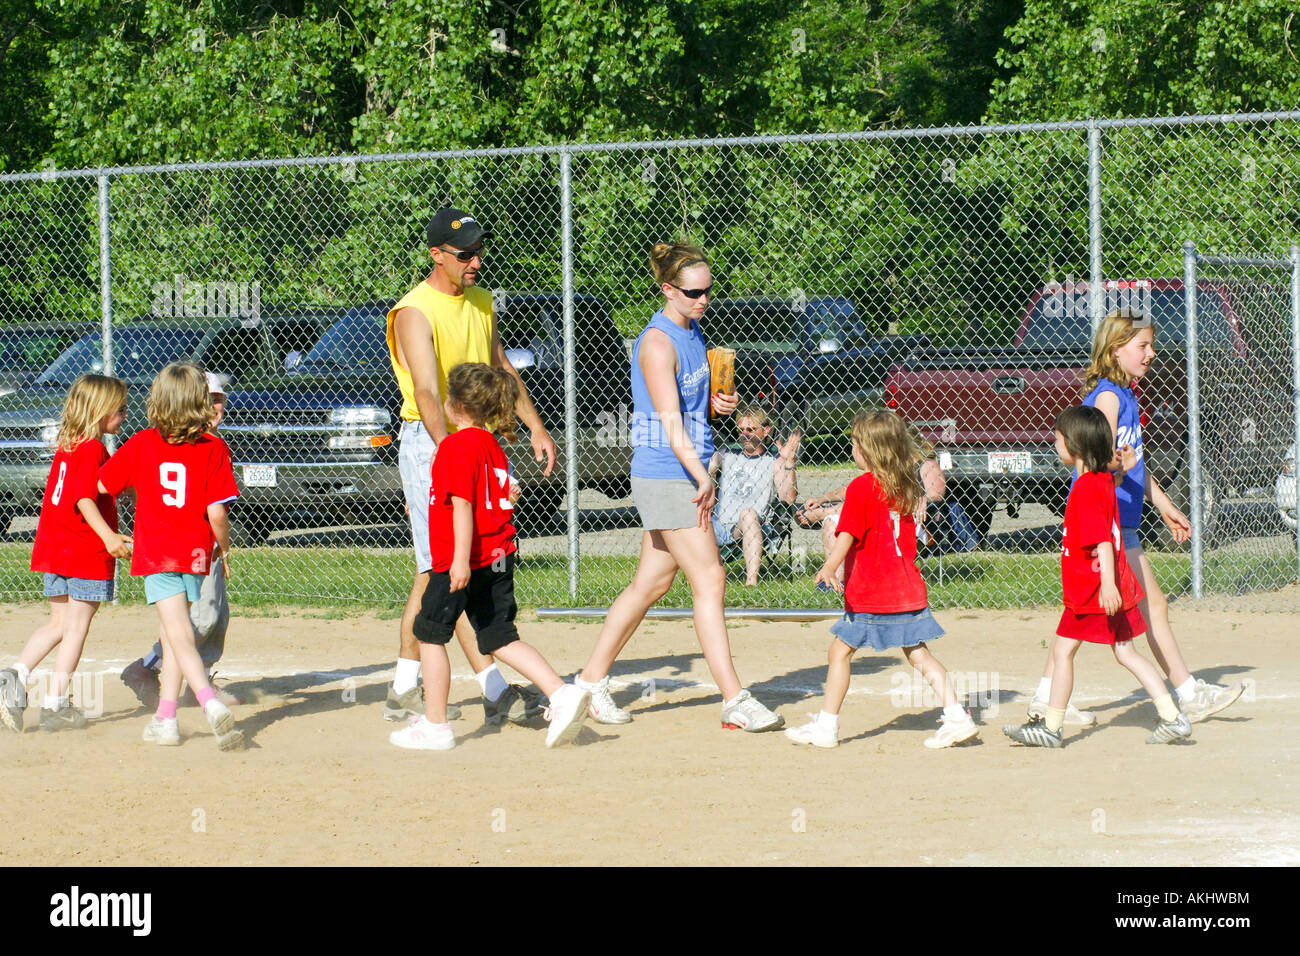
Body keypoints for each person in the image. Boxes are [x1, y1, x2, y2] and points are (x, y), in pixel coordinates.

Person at [573, 241, 783, 732]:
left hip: (684, 469)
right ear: (667, 289)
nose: (702, 299)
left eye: (708, 290)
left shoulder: (692, 332)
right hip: (669, 472)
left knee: (652, 582)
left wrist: (718, 406)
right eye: (692, 292)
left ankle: (589, 681)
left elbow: (692, 408)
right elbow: (669, 423)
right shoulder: (657, 342)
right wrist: (701, 475)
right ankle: (734, 700)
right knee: (710, 579)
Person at [1023, 308, 1243, 725]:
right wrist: (1116, 466)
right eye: (1142, 346)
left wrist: (1163, 505)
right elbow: (1096, 459)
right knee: (1152, 606)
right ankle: (1188, 693)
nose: (1151, 354)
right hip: (1102, 521)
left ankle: (1044, 699)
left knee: (1080, 615)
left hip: (1118, 519)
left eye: (1152, 346)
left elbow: (1132, 461)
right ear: (1115, 349)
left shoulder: (1127, 395)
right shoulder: (1108, 397)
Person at [385, 207, 558, 726]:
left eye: (480, 252)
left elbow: (502, 369)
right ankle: (490, 688)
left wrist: (535, 425)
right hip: (432, 442)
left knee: (458, 563)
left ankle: (405, 688)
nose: (475, 262)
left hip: (475, 440)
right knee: (441, 567)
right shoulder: (414, 310)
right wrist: (450, 451)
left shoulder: (482, 303)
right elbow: (426, 391)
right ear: (437, 255)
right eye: (464, 255)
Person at [389, 363, 590, 750]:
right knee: (498, 636)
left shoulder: (453, 445)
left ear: (456, 405)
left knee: (429, 634)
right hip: (498, 556)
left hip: (459, 562)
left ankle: (435, 726)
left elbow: (463, 505)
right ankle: (560, 693)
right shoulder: (490, 446)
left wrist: (459, 561)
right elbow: (500, 495)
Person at [786, 410, 979, 749]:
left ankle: (827, 728)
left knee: (839, 653)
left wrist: (830, 565)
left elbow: (846, 534)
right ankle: (957, 716)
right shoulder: (905, 485)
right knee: (919, 654)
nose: (852, 448)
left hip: (871, 591)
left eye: (856, 444)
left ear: (869, 450)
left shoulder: (862, 487)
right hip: (905, 589)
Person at [1003, 405, 1193, 747]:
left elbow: (1103, 539)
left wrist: (1106, 585)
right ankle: (1172, 717)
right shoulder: (1101, 480)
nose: (1055, 445)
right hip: (1112, 585)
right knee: (1126, 653)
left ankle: (1051, 726)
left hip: (1092, 590)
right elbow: (1113, 474)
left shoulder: (1085, 490)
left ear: (1075, 446)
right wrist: (1126, 467)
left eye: (1059, 440)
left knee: (1062, 652)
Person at [98, 362, 244, 751]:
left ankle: (209, 703)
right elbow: (217, 512)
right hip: (196, 552)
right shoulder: (214, 446)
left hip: (157, 553)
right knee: (173, 632)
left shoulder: (143, 442)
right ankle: (166, 718)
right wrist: (224, 550)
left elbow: (103, 483)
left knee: (179, 634)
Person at [0, 375, 131, 733]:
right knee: (76, 627)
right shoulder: (90, 448)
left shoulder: (68, 446)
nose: (124, 414)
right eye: (119, 409)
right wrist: (107, 536)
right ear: (100, 411)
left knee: (58, 623)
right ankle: (56, 704)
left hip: (57, 545)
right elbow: (83, 498)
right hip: (83, 548)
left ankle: (16, 673)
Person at [120, 370, 236, 710]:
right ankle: (172, 679)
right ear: (194, 403)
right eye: (209, 399)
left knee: (213, 615)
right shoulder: (203, 446)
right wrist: (225, 549)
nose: (215, 407)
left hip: (190, 548)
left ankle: (169, 709)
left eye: (220, 399)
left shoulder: (207, 445)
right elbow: (217, 512)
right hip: (189, 548)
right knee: (198, 619)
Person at [797, 436, 948, 585]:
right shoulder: (892, 467)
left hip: (915, 524)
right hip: (880, 520)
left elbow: (937, 494)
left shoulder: (926, 464)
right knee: (832, 522)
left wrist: (923, 499)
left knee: (863, 507)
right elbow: (856, 488)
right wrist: (822, 499)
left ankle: (826, 512)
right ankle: (834, 583)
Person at [708, 404, 800, 585]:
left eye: (751, 429)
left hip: (751, 525)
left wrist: (789, 462)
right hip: (718, 525)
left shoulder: (774, 460)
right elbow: (706, 475)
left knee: (748, 514)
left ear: (765, 431)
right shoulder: (726, 453)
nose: (745, 434)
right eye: (741, 430)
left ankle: (751, 583)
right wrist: (709, 476)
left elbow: (788, 497)